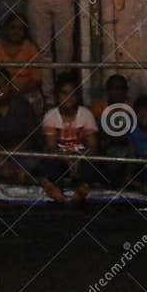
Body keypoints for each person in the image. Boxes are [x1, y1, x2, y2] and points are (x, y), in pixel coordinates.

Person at [40, 73, 100, 203]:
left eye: (72, 94)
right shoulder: (50, 115)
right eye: (64, 93)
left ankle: (82, 189)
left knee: (92, 166)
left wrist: (79, 159)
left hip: (82, 158)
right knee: (49, 164)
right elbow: (51, 147)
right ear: (57, 96)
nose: (69, 98)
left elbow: (93, 146)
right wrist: (66, 158)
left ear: (77, 96)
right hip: (60, 158)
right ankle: (54, 189)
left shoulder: (86, 114)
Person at [0, 14, 43, 113]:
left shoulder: (31, 49)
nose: (16, 32)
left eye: (20, 29)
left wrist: (16, 92)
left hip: (25, 93)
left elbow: (36, 80)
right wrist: (4, 91)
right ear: (6, 29)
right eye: (12, 28)